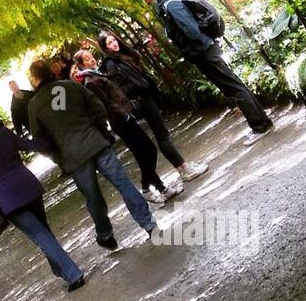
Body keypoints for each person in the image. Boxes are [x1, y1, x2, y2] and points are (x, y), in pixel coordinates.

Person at [24, 57, 159, 252]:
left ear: (35, 79)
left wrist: (58, 158)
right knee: (124, 184)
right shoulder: (69, 86)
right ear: (50, 72)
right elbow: (98, 106)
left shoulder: (34, 105)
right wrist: (99, 129)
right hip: (96, 143)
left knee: (93, 198)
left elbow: (40, 141)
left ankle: (106, 235)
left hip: (72, 157)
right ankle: (149, 224)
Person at [0, 112, 87, 291]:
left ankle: (73, 274)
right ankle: (60, 269)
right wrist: (48, 138)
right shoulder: (3, 134)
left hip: (6, 201)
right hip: (28, 187)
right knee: (44, 230)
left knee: (40, 235)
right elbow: (28, 145)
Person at [139, 0, 273, 134]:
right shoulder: (168, 2)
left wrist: (187, 48)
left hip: (204, 52)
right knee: (234, 86)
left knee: (234, 88)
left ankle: (260, 127)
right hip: (205, 50)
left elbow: (192, 31)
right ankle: (263, 122)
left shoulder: (170, 5)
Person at [69, 50, 178, 205]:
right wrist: (125, 114)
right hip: (121, 120)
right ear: (81, 64)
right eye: (87, 59)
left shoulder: (96, 73)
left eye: (91, 56)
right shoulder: (90, 80)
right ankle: (146, 187)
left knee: (143, 154)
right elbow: (106, 103)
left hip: (125, 115)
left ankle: (161, 188)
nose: (92, 59)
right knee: (149, 150)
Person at [97, 30, 207, 182]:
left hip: (146, 98)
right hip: (140, 101)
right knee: (162, 136)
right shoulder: (111, 64)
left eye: (114, 40)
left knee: (163, 135)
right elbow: (118, 90)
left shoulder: (122, 56)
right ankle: (184, 169)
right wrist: (137, 87)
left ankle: (182, 167)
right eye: (109, 43)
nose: (114, 44)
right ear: (105, 47)